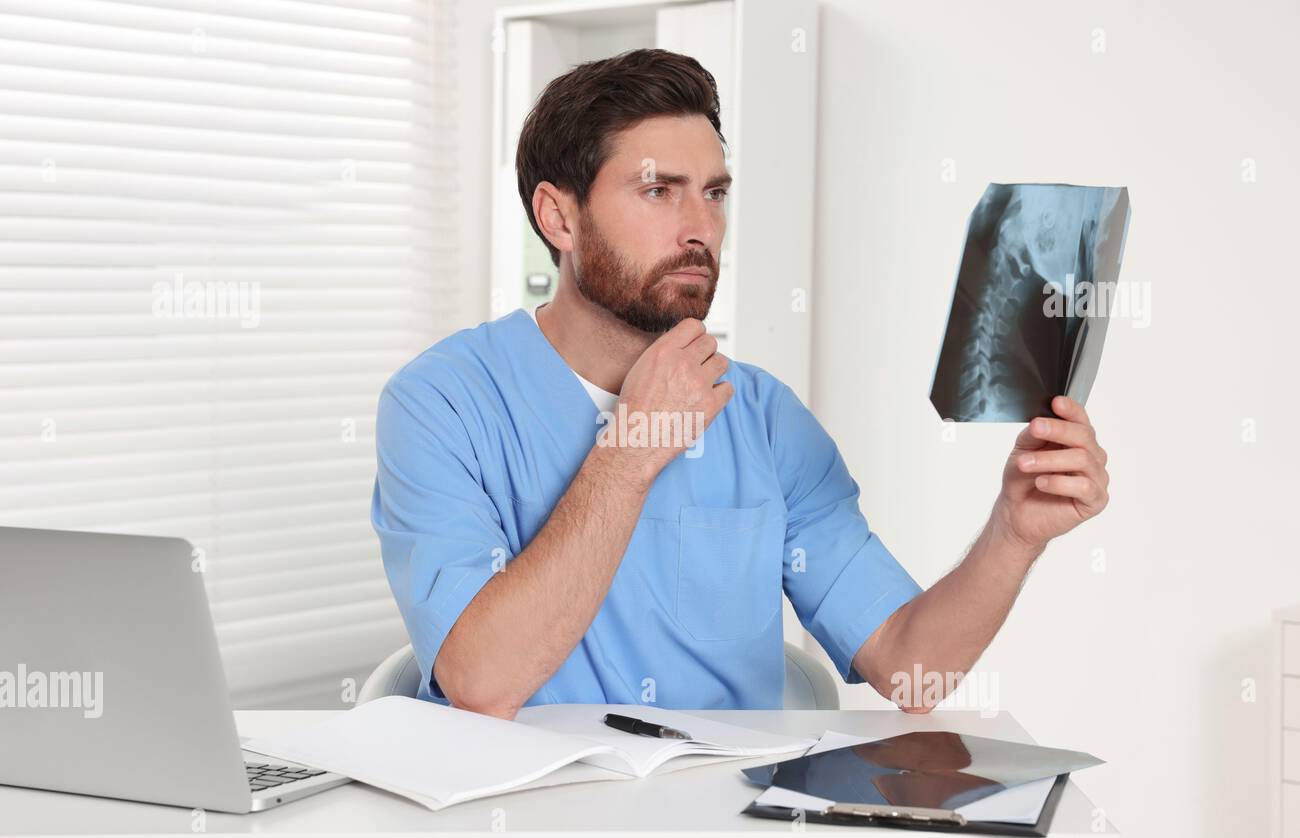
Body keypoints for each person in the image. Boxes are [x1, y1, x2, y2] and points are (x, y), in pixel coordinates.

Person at [370, 49, 1110, 719]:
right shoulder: (440, 405)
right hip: (530, 832)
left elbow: (910, 669)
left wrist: (1013, 535)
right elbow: (481, 679)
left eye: (716, 193)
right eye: (660, 191)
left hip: (727, 834)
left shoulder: (762, 417)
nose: (701, 227)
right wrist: (631, 448)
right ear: (558, 217)